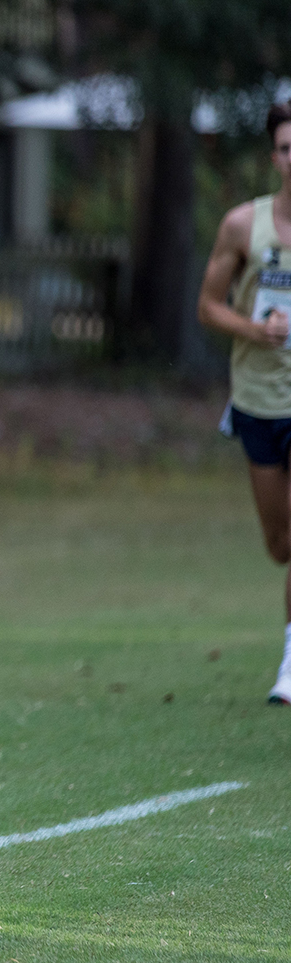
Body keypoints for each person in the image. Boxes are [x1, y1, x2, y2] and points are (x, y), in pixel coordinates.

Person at [199, 101, 291, 705]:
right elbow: (207, 305)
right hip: (259, 398)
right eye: (285, 148)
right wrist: (254, 331)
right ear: (274, 156)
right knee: (281, 545)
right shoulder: (242, 226)